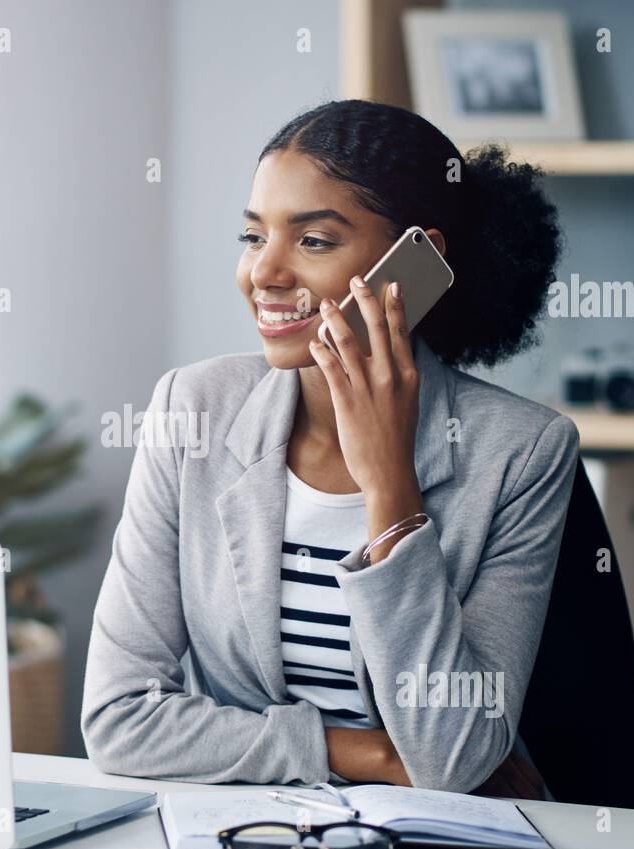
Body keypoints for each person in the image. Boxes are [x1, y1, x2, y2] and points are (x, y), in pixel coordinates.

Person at [81, 100, 577, 799]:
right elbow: (118, 718)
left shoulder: (522, 454)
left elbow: (456, 756)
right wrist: (359, 753)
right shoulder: (190, 409)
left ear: (419, 260)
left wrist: (390, 488)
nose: (264, 273)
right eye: (253, 237)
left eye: (313, 241)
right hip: (251, 832)